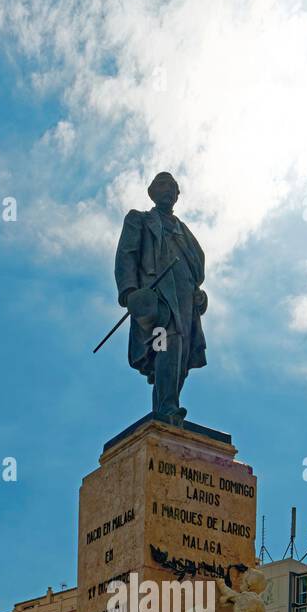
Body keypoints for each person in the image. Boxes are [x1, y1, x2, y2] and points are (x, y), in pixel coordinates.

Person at [114, 172, 208, 425]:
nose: (168, 190)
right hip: (157, 296)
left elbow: (195, 272)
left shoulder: (184, 232)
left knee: (182, 355)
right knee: (166, 343)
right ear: (151, 192)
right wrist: (130, 292)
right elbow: (126, 255)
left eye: (173, 187)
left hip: (186, 299)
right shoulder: (140, 220)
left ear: (178, 195)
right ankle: (167, 406)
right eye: (162, 185)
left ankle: (167, 406)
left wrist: (199, 295)